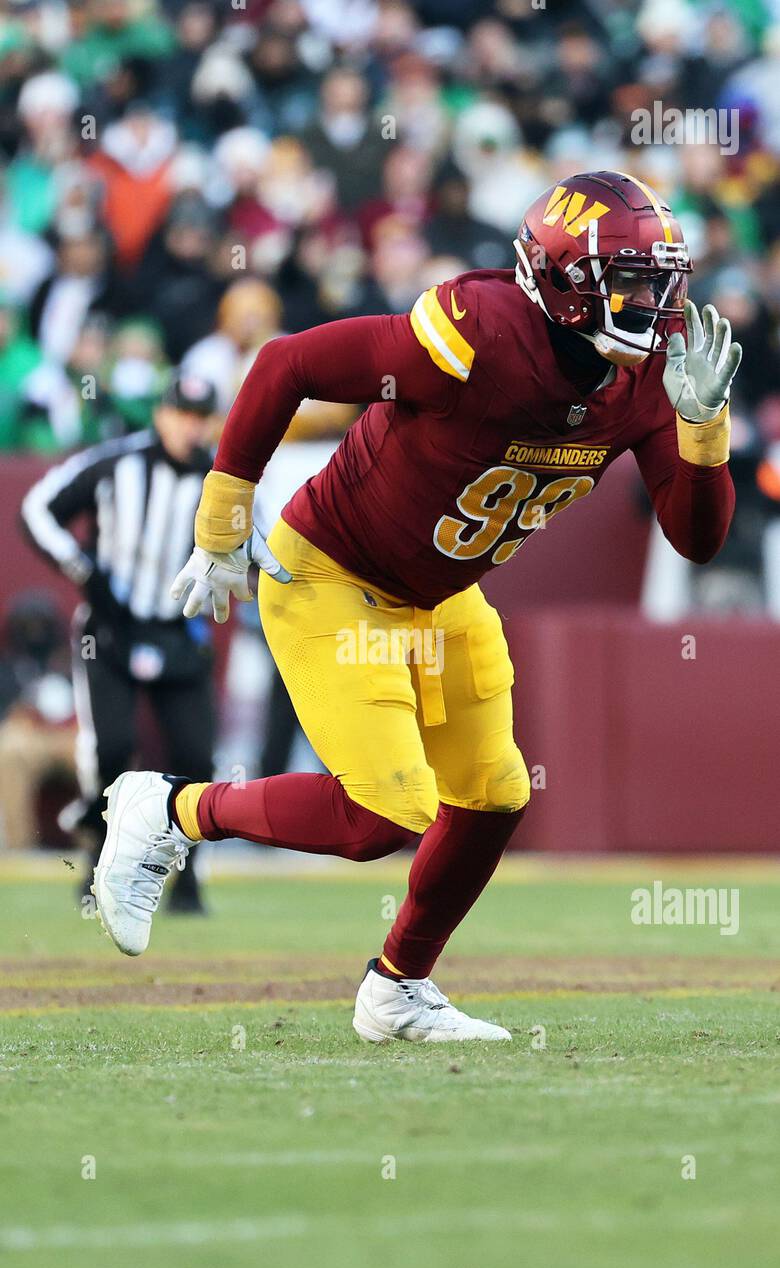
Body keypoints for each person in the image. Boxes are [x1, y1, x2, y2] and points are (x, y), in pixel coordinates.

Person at [91, 171, 741, 1040]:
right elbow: (288, 364)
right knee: (382, 814)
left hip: (440, 593)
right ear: (566, 285)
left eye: (664, 281)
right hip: (332, 572)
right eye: (631, 281)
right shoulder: (482, 334)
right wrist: (223, 517)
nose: (657, 305)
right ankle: (166, 808)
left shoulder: (656, 376)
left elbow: (696, 538)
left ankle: (397, 988)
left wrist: (702, 431)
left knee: (494, 794)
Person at [21, 372, 219, 913]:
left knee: (196, 756)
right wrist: (83, 570)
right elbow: (37, 508)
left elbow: (262, 538)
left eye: (200, 416)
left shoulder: (219, 477)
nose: (190, 426)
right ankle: (96, 868)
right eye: (181, 413)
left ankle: (189, 877)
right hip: (109, 629)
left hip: (179, 631)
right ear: (161, 413)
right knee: (111, 749)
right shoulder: (117, 463)